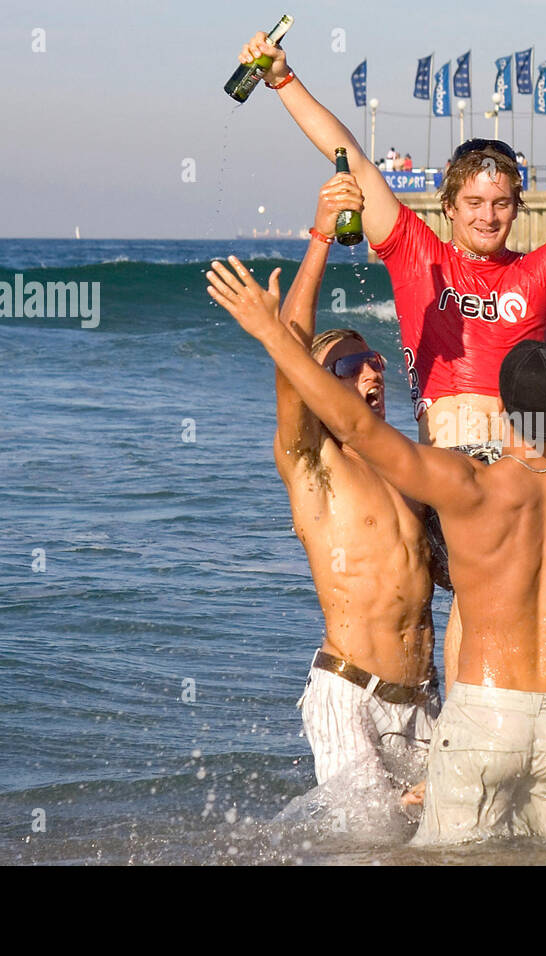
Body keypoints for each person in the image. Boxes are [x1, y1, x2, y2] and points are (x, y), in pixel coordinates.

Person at [206, 212, 546, 843]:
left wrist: (271, 336)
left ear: (505, 406)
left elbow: (355, 428)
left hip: (484, 712)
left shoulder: (466, 485)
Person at [238, 32, 546, 451]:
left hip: (523, 480)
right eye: (474, 202)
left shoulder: (543, 271)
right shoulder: (417, 256)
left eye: (501, 203)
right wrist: (282, 79)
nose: (487, 216)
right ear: (450, 207)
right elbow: (352, 159)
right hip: (449, 479)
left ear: (517, 207)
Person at [216, 174, 439, 802]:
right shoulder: (312, 461)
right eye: (348, 364)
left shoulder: (408, 468)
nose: (372, 370)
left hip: (423, 704)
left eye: (375, 361)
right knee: (365, 847)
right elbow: (290, 355)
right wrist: (320, 233)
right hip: (352, 697)